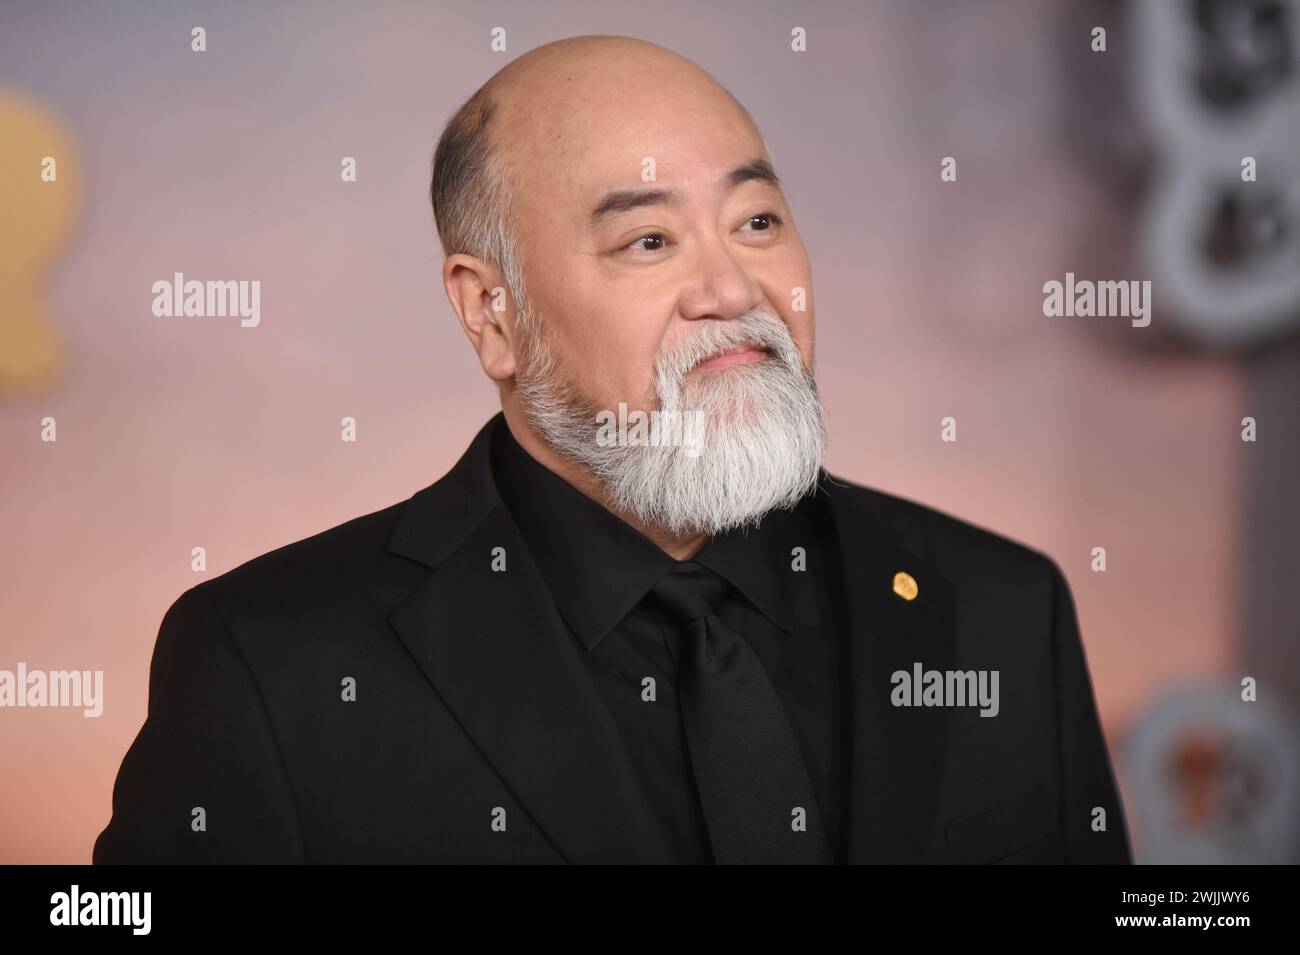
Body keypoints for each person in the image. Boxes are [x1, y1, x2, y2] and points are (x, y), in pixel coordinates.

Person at [93, 35, 1131, 864]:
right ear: (490, 312)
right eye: (648, 240)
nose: (732, 290)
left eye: (758, 220)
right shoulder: (273, 665)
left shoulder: (1002, 605)